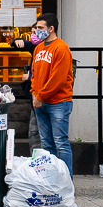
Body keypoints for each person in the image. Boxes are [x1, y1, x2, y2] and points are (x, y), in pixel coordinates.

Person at [29, 13, 74, 176]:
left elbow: (58, 79)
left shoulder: (61, 48)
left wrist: (40, 96)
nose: (37, 31)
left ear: (51, 29)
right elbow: (34, 74)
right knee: (46, 144)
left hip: (58, 102)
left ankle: (66, 180)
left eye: (40, 28)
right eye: (36, 28)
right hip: (40, 101)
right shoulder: (38, 48)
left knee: (61, 143)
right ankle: (52, 179)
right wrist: (34, 93)